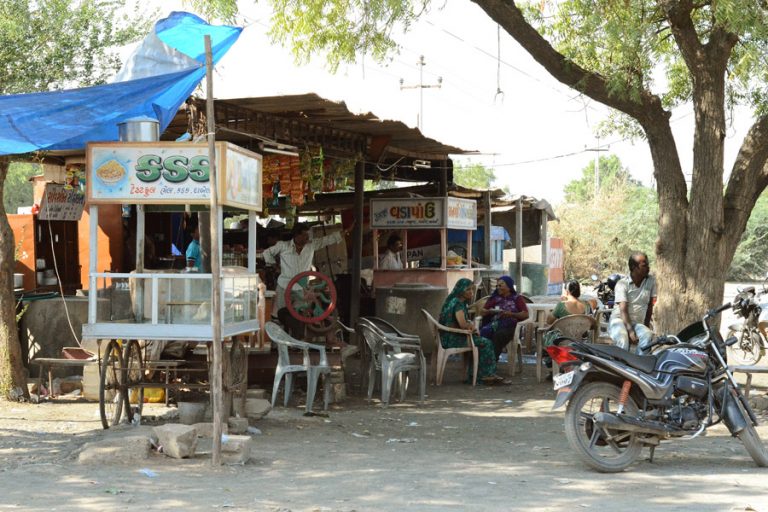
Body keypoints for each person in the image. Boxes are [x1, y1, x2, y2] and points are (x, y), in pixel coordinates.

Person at [262, 222, 347, 329]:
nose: (307, 237)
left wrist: (345, 232)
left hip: (301, 288)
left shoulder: (311, 246)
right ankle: (277, 343)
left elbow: (327, 240)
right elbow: (266, 253)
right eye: (304, 235)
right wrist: (273, 265)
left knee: (300, 315)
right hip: (284, 286)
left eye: (308, 235)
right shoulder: (283, 246)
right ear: (296, 235)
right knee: (278, 315)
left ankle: (296, 340)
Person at [439, 278, 510, 385]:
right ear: (461, 290)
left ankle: (477, 374)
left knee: (480, 341)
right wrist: (472, 328)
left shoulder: (452, 301)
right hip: (452, 339)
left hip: (446, 336)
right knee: (487, 343)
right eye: (468, 290)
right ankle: (485, 375)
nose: (471, 293)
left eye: (472, 290)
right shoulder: (457, 303)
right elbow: (463, 325)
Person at [609, 251, 657, 354]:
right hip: (619, 320)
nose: (648, 267)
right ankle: (619, 367)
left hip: (636, 323)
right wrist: (630, 332)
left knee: (648, 335)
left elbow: (649, 306)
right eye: (644, 265)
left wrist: (646, 326)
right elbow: (623, 310)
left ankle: (639, 366)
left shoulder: (651, 281)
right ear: (634, 267)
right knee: (623, 339)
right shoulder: (622, 284)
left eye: (648, 264)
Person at [477, 276, 530, 362]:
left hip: (512, 327)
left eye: (501, 285)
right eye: (497, 286)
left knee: (498, 335)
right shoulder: (495, 298)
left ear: (509, 286)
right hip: (495, 324)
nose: (498, 287)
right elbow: (482, 311)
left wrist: (511, 314)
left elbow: (525, 314)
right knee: (483, 332)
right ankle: (481, 360)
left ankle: (491, 362)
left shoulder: (517, 298)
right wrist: (490, 311)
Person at [542, 279, 593, 348]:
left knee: (544, 330)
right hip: (581, 341)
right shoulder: (587, 304)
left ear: (566, 291)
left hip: (562, 340)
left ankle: (544, 354)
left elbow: (549, 321)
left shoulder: (561, 305)